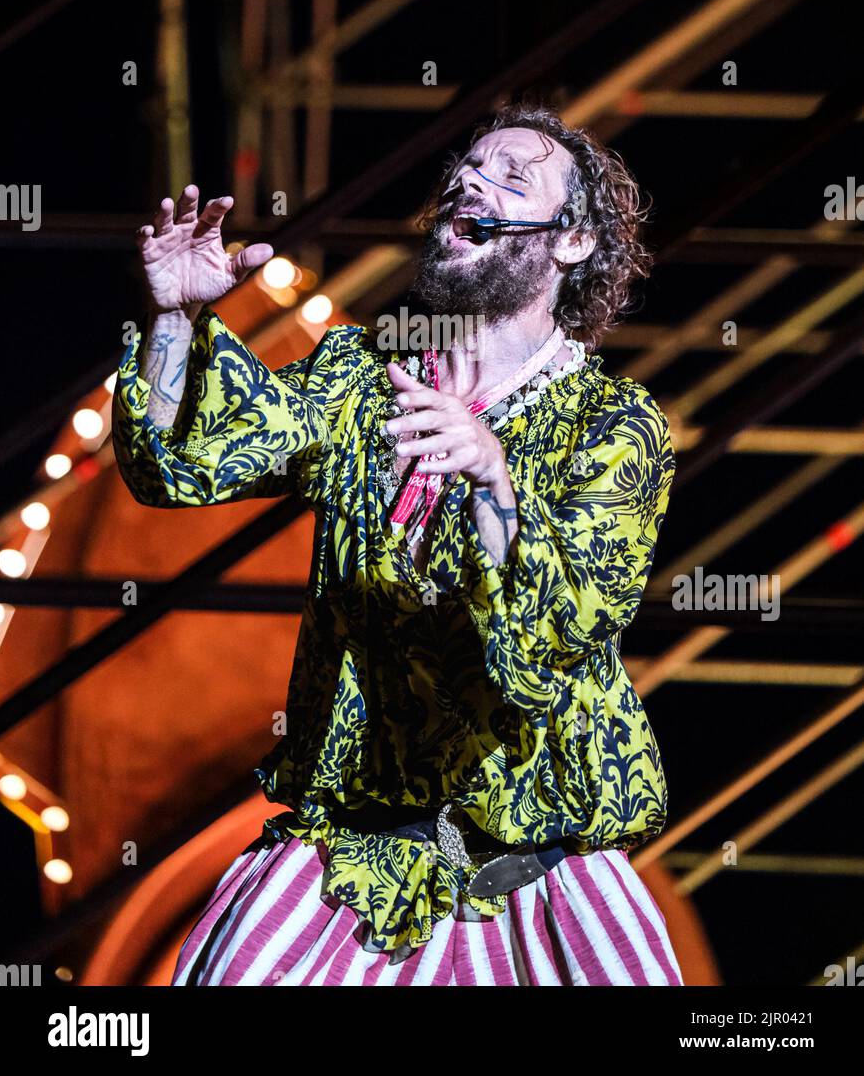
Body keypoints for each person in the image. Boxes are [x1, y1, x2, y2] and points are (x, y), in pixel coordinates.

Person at [112, 103, 683, 986]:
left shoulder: (610, 425)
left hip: (532, 869)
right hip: (349, 853)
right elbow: (180, 466)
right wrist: (176, 322)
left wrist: (495, 484)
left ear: (569, 242)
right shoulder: (358, 383)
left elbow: (554, 642)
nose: (469, 181)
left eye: (510, 178)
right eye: (466, 168)